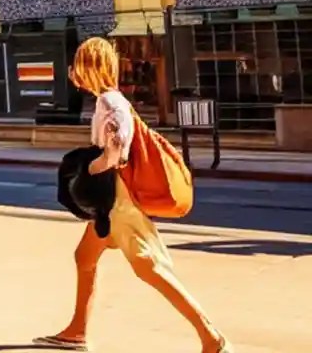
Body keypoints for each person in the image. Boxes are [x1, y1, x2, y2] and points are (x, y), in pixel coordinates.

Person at [35, 37, 231, 353]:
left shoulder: (109, 103)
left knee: (149, 267)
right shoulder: (111, 99)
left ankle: (211, 337)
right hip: (110, 199)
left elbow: (117, 151)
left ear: (89, 68)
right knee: (85, 257)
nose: (73, 72)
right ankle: (76, 331)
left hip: (116, 199)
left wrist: (89, 171)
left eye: (78, 65)